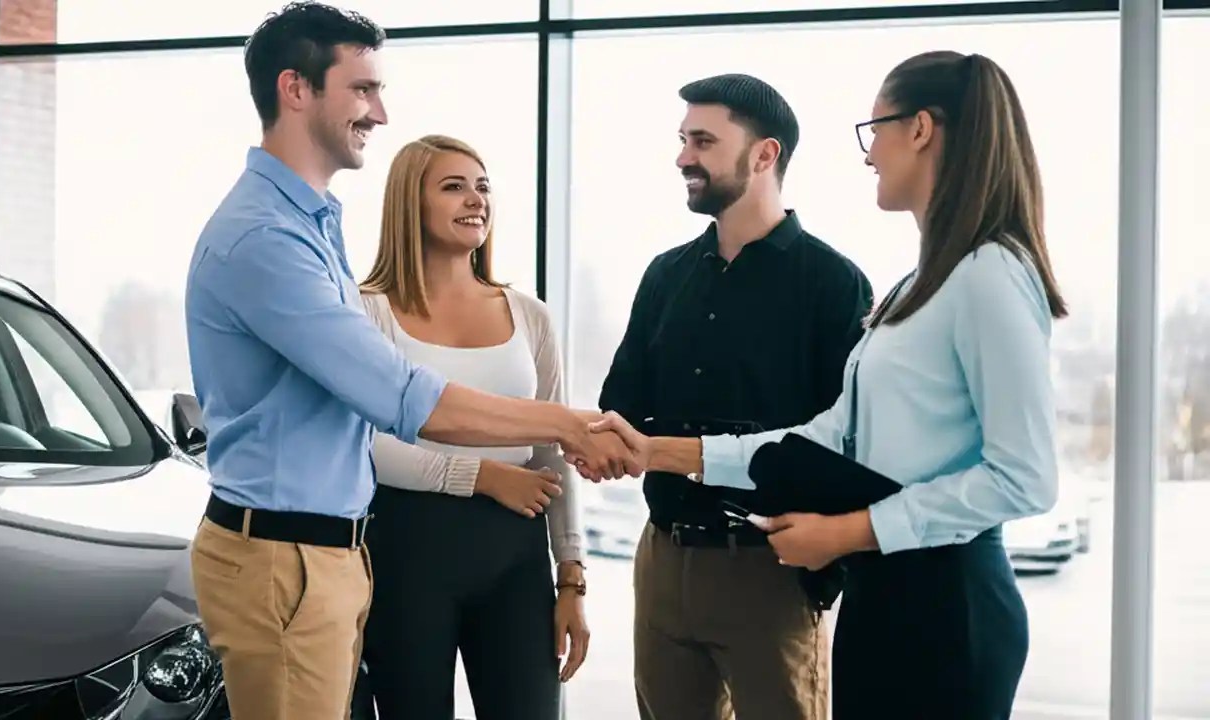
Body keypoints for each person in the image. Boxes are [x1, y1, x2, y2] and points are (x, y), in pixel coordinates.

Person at [585, 50, 1067, 720]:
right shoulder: (922, 283)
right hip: (886, 591)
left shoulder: (988, 272)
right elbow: (835, 435)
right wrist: (662, 453)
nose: (869, 154)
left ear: (921, 129)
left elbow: (1024, 478)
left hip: (945, 603)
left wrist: (847, 534)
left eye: (876, 131)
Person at [183, 5, 634, 720]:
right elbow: (401, 400)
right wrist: (570, 426)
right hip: (288, 560)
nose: (380, 112)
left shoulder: (311, 224)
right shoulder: (265, 241)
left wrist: (570, 564)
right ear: (296, 89)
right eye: (361, 89)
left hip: (327, 557)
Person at [596, 73, 872, 720]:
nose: (683, 157)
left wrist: (817, 578)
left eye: (702, 140)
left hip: (768, 573)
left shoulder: (834, 284)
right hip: (663, 562)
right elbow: (622, 403)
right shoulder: (665, 275)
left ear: (764, 154)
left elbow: (848, 443)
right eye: (683, 139)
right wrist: (604, 441)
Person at [356, 135, 588, 720]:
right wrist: (481, 477)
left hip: (517, 556)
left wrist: (571, 577)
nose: (476, 199)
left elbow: (555, 449)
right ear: (411, 202)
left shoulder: (529, 314)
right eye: (454, 186)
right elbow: (368, 444)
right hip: (407, 554)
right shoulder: (368, 311)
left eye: (483, 186)